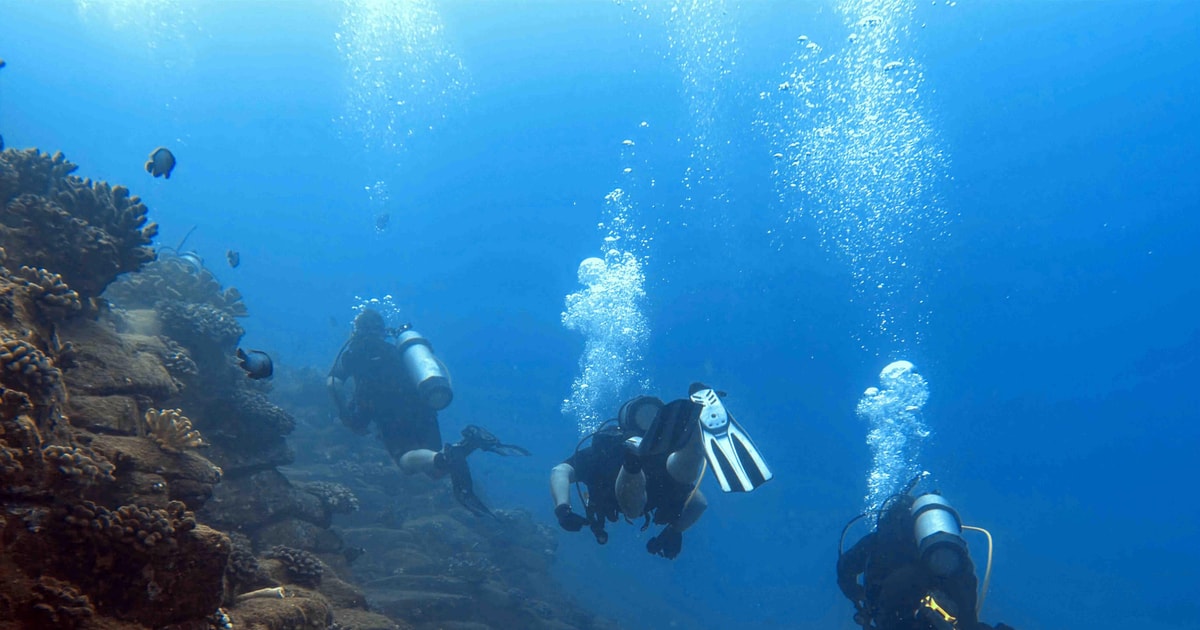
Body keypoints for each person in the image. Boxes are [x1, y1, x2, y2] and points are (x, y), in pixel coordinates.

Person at [328, 309, 526, 516]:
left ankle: (454, 453)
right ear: (382, 330)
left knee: (405, 461)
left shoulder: (353, 354)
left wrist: (345, 413)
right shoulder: (399, 350)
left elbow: (332, 384)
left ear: (356, 330)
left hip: (389, 415)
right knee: (436, 468)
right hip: (422, 408)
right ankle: (468, 443)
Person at [550, 382, 773, 559]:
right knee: (681, 468)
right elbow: (699, 503)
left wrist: (562, 508)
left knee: (633, 509)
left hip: (632, 482)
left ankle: (632, 463)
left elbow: (560, 471)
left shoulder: (600, 452)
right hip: (663, 468)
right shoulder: (659, 452)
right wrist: (675, 531)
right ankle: (695, 438)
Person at [837, 485, 1016, 630]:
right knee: (967, 625)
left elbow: (845, 568)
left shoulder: (878, 539)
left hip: (895, 606)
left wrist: (857, 595)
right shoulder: (940, 542)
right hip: (949, 583)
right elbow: (966, 578)